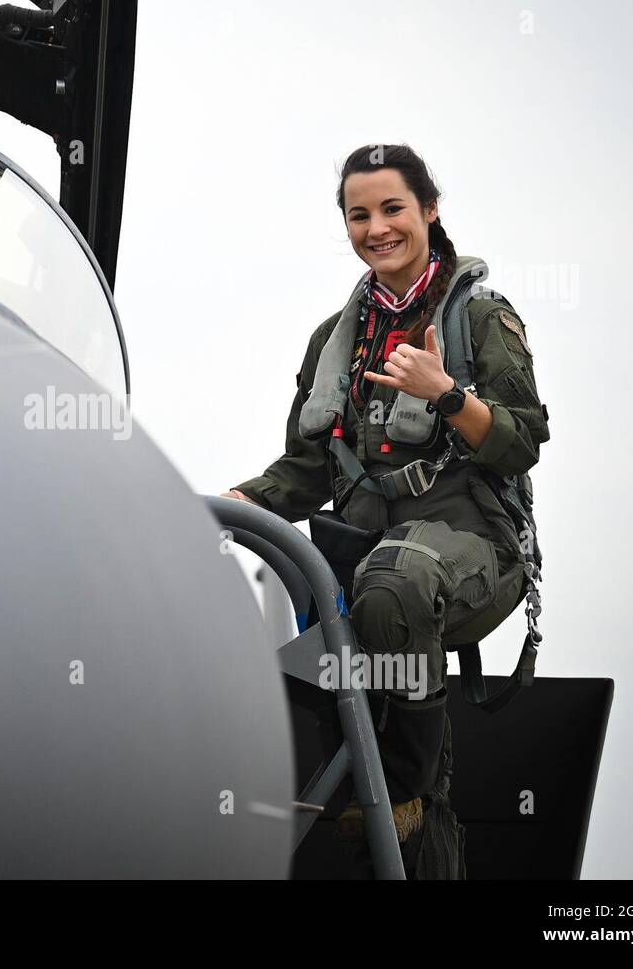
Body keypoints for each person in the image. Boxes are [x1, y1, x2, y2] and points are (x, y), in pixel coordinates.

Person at [224, 143, 550, 879]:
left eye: (393, 208)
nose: (377, 228)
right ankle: (395, 810)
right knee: (358, 607)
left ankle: (401, 785)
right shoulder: (334, 342)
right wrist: (236, 502)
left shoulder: (480, 319)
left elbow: (521, 441)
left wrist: (448, 394)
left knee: (394, 581)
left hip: (474, 544)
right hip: (371, 559)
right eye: (359, 214)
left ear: (430, 211)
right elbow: (308, 469)